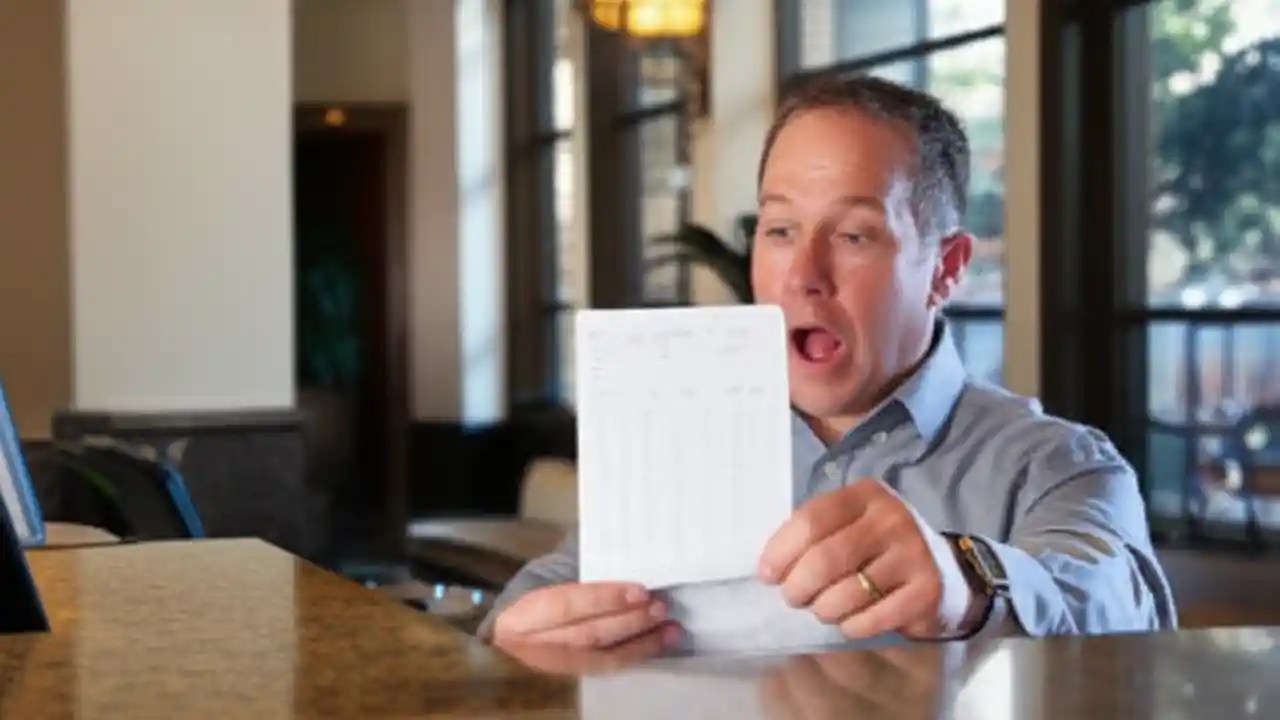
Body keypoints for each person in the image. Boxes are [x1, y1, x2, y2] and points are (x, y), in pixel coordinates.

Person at [479, 73, 1176, 658]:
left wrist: (969, 579)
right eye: (780, 231)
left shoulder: (1055, 464)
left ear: (945, 268)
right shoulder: (680, 445)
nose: (803, 276)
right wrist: (516, 643)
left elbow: (1121, 604)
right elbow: (515, 624)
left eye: (853, 234)